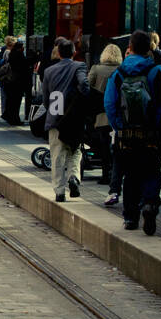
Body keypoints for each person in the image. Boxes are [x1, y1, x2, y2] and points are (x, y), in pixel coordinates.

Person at [104, 31, 161, 234]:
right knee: (152, 171)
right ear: (149, 48)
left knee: (130, 174)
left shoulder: (118, 73)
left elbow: (109, 103)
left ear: (130, 46)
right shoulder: (160, 72)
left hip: (126, 135)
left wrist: (119, 125)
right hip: (153, 134)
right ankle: (150, 204)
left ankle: (130, 217)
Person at [42, 38, 89, 202]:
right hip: (73, 118)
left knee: (56, 154)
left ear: (59, 53)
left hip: (55, 117)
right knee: (75, 150)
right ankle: (74, 177)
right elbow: (84, 84)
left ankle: (59, 191)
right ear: (74, 52)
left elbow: (46, 99)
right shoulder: (79, 66)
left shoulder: (49, 71)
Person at [89, 43, 123, 203]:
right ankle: (115, 175)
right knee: (116, 147)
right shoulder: (122, 71)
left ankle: (105, 173)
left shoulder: (96, 69)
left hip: (101, 114)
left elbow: (87, 88)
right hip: (119, 115)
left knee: (103, 145)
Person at [1, 41, 29, 125]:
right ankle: (15, 119)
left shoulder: (11, 54)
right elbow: (24, 66)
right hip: (17, 82)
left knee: (11, 101)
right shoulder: (19, 55)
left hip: (10, 82)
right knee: (16, 102)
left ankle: (10, 117)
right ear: (20, 48)